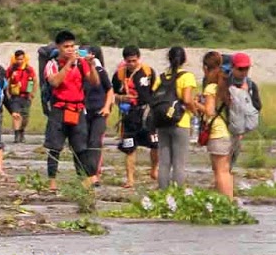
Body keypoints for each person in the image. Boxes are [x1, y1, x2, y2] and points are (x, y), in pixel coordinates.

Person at [42, 31, 101, 193]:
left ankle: (85, 179)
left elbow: (94, 82)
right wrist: (69, 64)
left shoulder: (81, 64)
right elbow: (54, 82)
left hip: (77, 109)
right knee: (55, 147)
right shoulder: (52, 64)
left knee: (81, 147)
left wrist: (92, 65)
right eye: (66, 46)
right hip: (59, 109)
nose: (69, 49)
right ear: (59, 47)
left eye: (72, 46)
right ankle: (52, 182)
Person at [112, 47, 158, 190]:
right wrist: (121, 98)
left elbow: (156, 92)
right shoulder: (119, 75)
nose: (132, 63)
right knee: (129, 148)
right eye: (129, 61)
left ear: (139, 58)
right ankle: (130, 179)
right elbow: (111, 95)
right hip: (129, 115)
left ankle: (154, 169)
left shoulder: (149, 72)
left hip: (147, 113)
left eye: (134, 60)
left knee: (155, 145)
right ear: (124, 61)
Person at [154, 46, 197, 191]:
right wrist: (195, 111)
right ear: (184, 59)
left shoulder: (161, 77)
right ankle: (178, 196)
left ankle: (162, 195)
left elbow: (154, 98)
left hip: (162, 121)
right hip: (180, 121)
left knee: (164, 162)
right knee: (179, 163)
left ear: (169, 59)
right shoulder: (187, 76)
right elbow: (187, 99)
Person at [197, 51, 236, 198]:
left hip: (217, 132)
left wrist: (195, 103)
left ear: (205, 68)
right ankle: (229, 199)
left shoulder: (210, 88)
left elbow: (209, 111)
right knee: (225, 170)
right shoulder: (223, 85)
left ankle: (226, 200)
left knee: (219, 171)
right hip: (226, 131)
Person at [79, 46, 115, 183]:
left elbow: (109, 90)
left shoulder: (100, 71)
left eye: (85, 53)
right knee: (82, 142)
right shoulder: (77, 71)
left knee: (95, 141)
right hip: (83, 112)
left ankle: (93, 175)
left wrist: (107, 107)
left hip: (99, 111)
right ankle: (86, 173)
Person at [224, 52, 261, 166]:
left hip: (238, 129)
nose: (243, 72)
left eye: (246, 69)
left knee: (231, 160)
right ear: (232, 67)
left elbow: (257, 106)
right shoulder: (224, 83)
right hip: (223, 127)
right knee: (221, 162)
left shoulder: (250, 85)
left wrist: (245, 95)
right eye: (240, 69)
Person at [5, 50, 37, 144]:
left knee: (25, 117)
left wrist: (33, 94)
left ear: (24, 58)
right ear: (15, 59)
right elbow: (5, 80)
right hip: (15, 96)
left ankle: (22, 131)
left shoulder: (29, 69)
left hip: (26, 96)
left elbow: (35, 81)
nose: (20, 61)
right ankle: (17, 135)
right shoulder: (11, 69)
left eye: (21, 59)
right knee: (16, 115)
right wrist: (7, 93)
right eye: (18, 59)